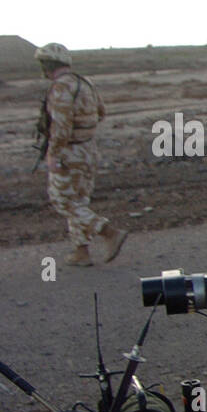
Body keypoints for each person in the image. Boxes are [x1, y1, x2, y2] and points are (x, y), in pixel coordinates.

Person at [35, 43, 127, 266]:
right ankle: (81, 251)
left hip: (70, 152)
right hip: (88, 150)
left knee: (63, 201)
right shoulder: (85, 83)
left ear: (47, 65)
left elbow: (62, 127)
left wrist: (53, 154)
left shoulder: (60, 88)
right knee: (79, 202)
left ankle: (108, 232)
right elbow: (101, 113)